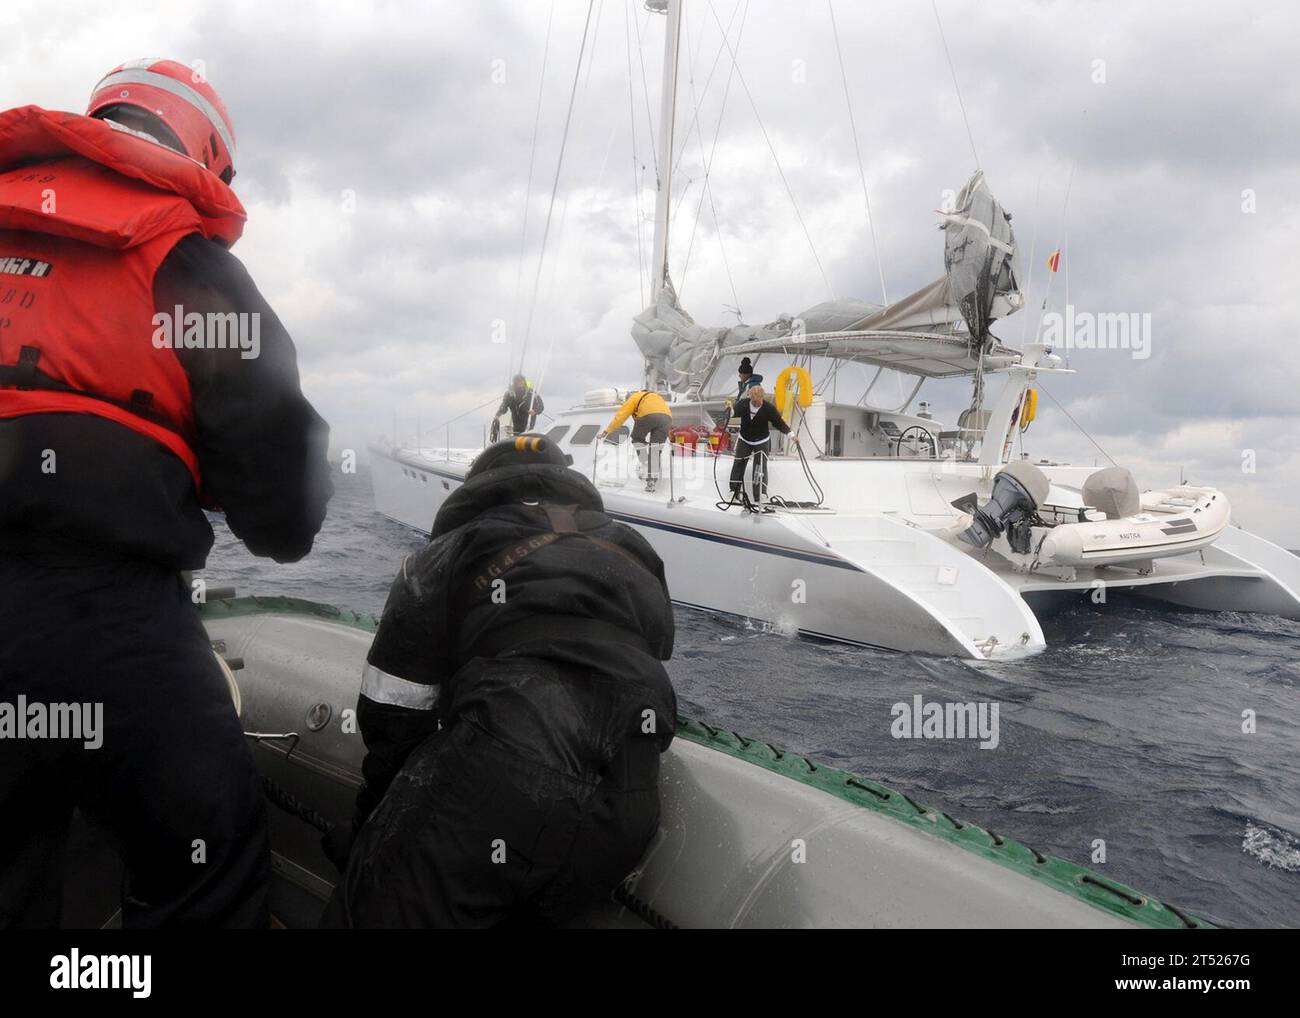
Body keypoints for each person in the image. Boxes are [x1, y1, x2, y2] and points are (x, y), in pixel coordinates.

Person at [0, 59, 332, 928]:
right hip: (100, 626)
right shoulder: (184, 264)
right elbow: (285, 507)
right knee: (205, 870)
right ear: (205, 161)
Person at [323, 436, 676, 928]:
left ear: (481, 487)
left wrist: (370, 832)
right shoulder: (633, 550)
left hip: (509, 766)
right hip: (629, 801)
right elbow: (652, 651)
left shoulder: (453, 548)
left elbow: (395, 710)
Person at [729, 385, 797, 507]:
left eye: (758, 401)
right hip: (745, 439)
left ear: (762, 397)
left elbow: (779, 423)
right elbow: (734, 412)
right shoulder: (743, 404)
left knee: (759, 467)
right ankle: (734, 491)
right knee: (738, 463)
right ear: (750, 397)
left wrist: (791, 435)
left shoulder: (768, 408)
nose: (755, 404)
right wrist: (729, 410)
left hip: (761, 440)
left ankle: (760, 494)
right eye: (753, 401)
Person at [596, 388, 672, 492]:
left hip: (648, 415)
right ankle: (651, 481)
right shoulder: (655, 397)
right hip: (667, 418)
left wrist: (606, 431)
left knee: (636, 438)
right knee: (655, 450)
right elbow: (659, 413)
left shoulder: (634, 397)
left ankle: (644, 462)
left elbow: (621, 416)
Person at [493, 374, 543, 440]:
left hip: (529, 424)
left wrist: (535, 411)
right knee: (517, 437)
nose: (520, 383)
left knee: (527, 436)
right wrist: (497, 415)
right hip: (516, 425)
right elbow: (504, 406)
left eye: (521, 381)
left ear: (524, 381)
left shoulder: (531, 393)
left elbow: (541, 406)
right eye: (518, 381)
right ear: (515, 382)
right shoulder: (509, 394)